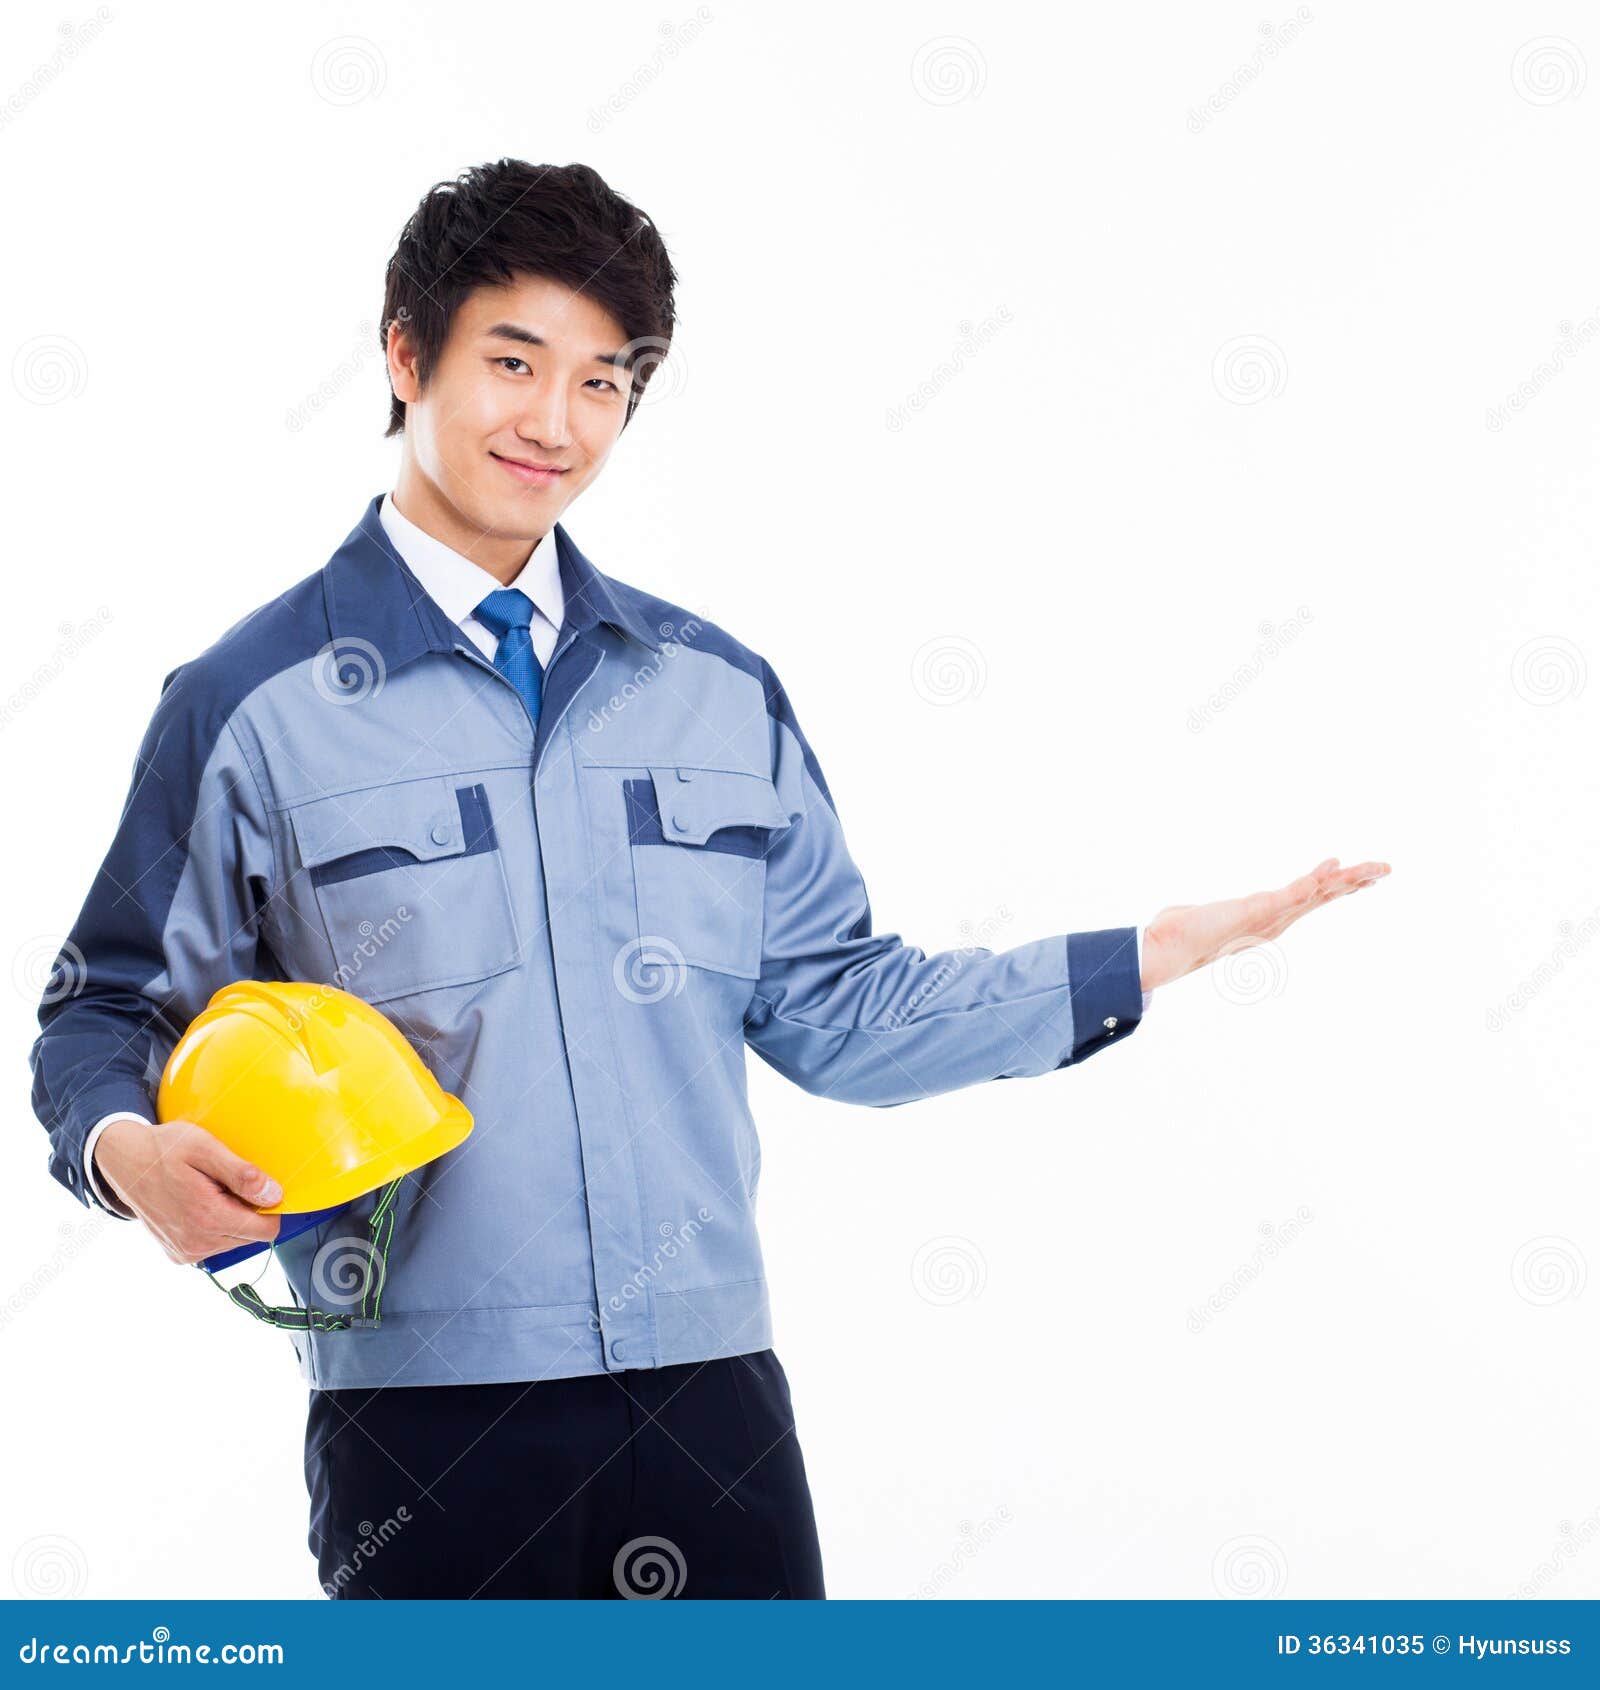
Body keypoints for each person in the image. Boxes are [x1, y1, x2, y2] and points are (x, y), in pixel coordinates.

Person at [28, 159, 1389, 1600]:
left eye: (608, 382)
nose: (558, 421)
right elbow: (101, 1009)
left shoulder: (712, 692)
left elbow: (841, 1010)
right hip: (428, 1426)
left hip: (714, 1404)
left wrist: (1137, 957)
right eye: (514, 362)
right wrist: (128, 1157)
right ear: (405, 351)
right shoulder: (254, 704)